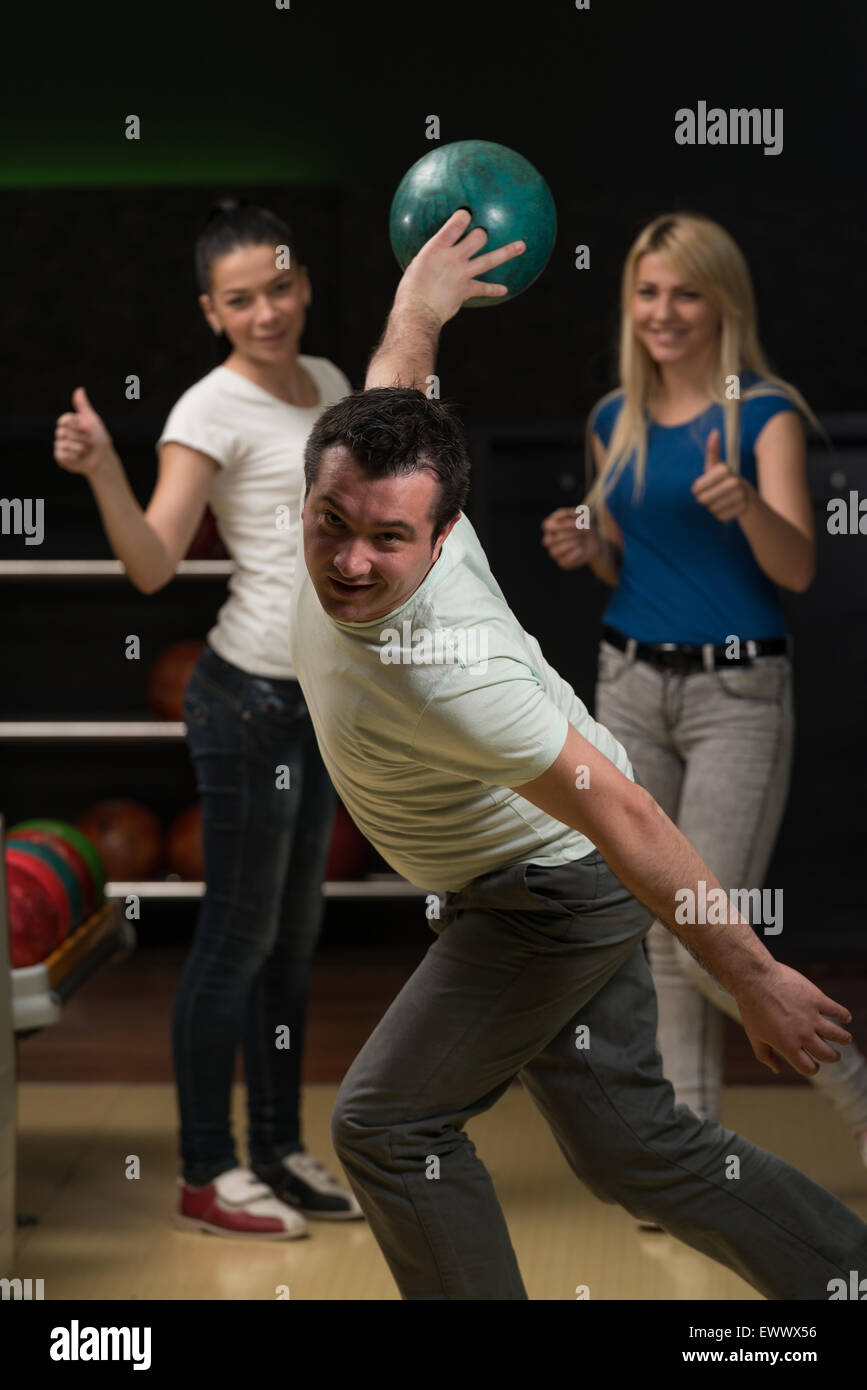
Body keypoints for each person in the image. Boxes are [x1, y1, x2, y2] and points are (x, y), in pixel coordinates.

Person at [283, 209, 867, 1299]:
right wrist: (422, 301)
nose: (350, 560)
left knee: (387, 1123)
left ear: (445, 535)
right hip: (520, 879)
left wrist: (755, 978)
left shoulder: (457, 673)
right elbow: (398, 380)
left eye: (390, 539)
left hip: (547, 889)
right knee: (636, 1148)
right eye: (332, 523)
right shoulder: (358, 468)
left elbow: (627, 815)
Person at [53, 199, 362, 1238]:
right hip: (247, 702)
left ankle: (276, 1147)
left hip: (323, 704)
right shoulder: (205, 411)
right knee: (235, 941)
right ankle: (203, 1170)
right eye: (241, 300)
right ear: (211, 311)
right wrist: (103, 468)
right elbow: (150, 565)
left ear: (304, 281)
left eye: (279, 286)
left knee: (292, 945)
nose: (266, 310)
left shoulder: (330, 385)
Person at [541, 213, 867, 1184]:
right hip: (629, 682)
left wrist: (749, 507)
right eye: (648, 292)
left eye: (686, 292)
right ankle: (689, 1162)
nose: (665, 311)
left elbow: (797, 566)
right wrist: (589, 551)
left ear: (724, 303)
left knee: (701, 934)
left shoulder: (762, 414)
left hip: (737, 693)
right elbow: (635, 566)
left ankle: (853, 1086)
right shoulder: (614, 419)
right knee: (656, 937)